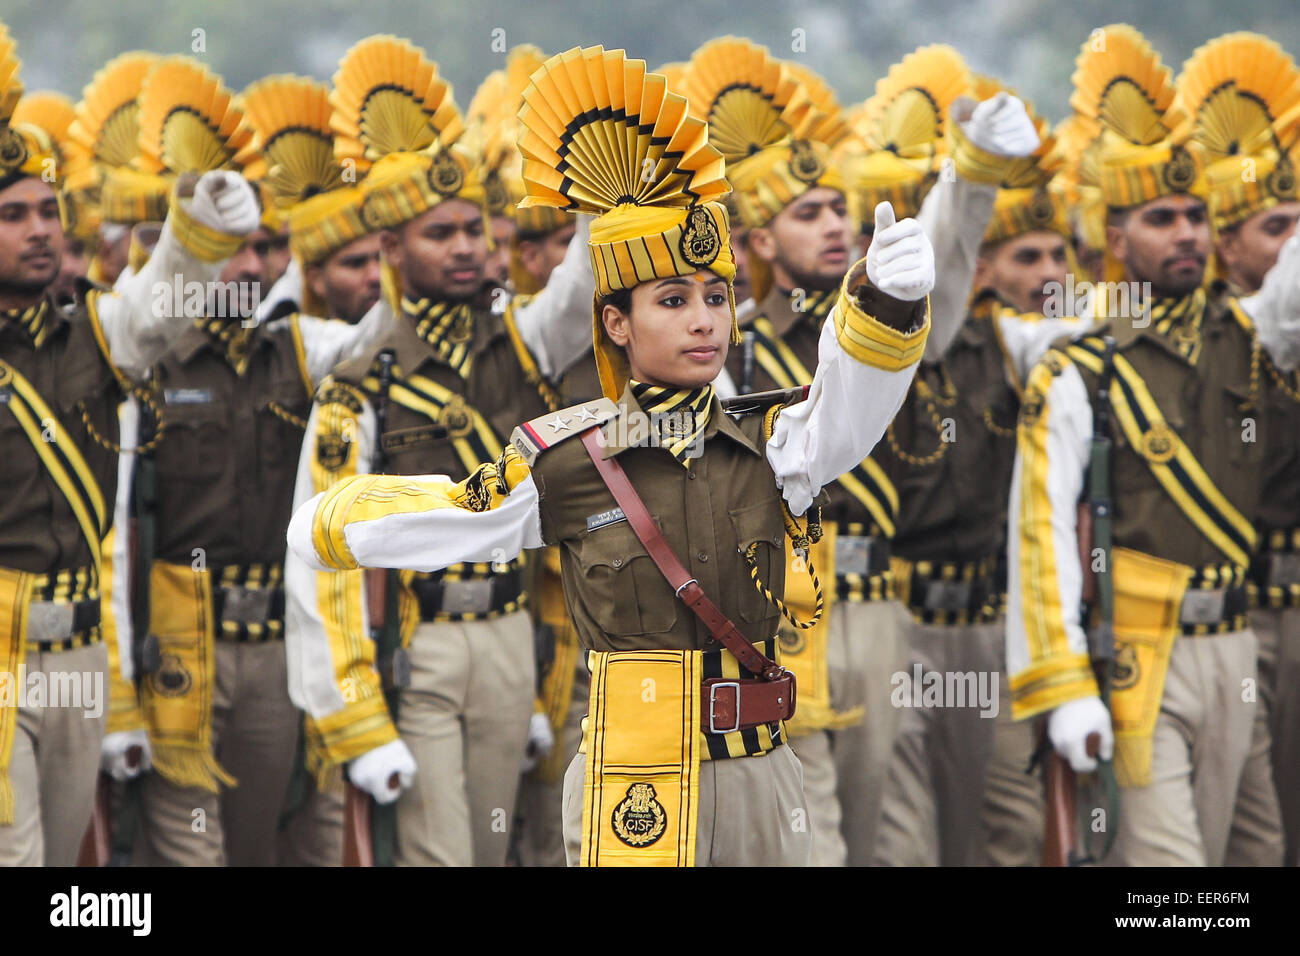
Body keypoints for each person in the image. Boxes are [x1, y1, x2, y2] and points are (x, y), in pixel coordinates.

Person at [286, 43, 936, 868]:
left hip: (767, 766)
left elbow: (851, 407)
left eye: (715, 298)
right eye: (673, 300)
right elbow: (460, 516)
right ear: (616, 325)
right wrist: (332, 524)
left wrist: (883, 304)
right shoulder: (569, 456)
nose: (704, 321)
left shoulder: (770, 441)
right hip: (638, 779)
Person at [283, 34, 594, 867]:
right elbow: (328, 554)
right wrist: (355, 719)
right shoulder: (360, 378)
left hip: (507, 635)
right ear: (391, 250)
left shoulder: (519, 343)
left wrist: (604, 194)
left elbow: (583, 284)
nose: (465, 247)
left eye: (473, 230)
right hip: (417, 649)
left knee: (492, 853)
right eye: (439, 233)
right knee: (437, 857)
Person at [1008, 24, 1295, 866]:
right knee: (1170, 878)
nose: (1188, 233)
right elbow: (1043, 540)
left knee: (1258, 859)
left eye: (1199, 216)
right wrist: (1062, 686)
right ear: (1116, 233)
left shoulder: (1245, 337)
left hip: (1237, 640)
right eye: (1161, 217)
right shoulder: (1079, 366)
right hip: (1140, 656)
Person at [0, 19, 260, 866]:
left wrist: (198, 224)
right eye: (12, 216)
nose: (40, 230)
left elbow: (160, 304)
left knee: (73, 854)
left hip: (81, 647)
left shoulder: (97, 328)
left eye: (47, 211)